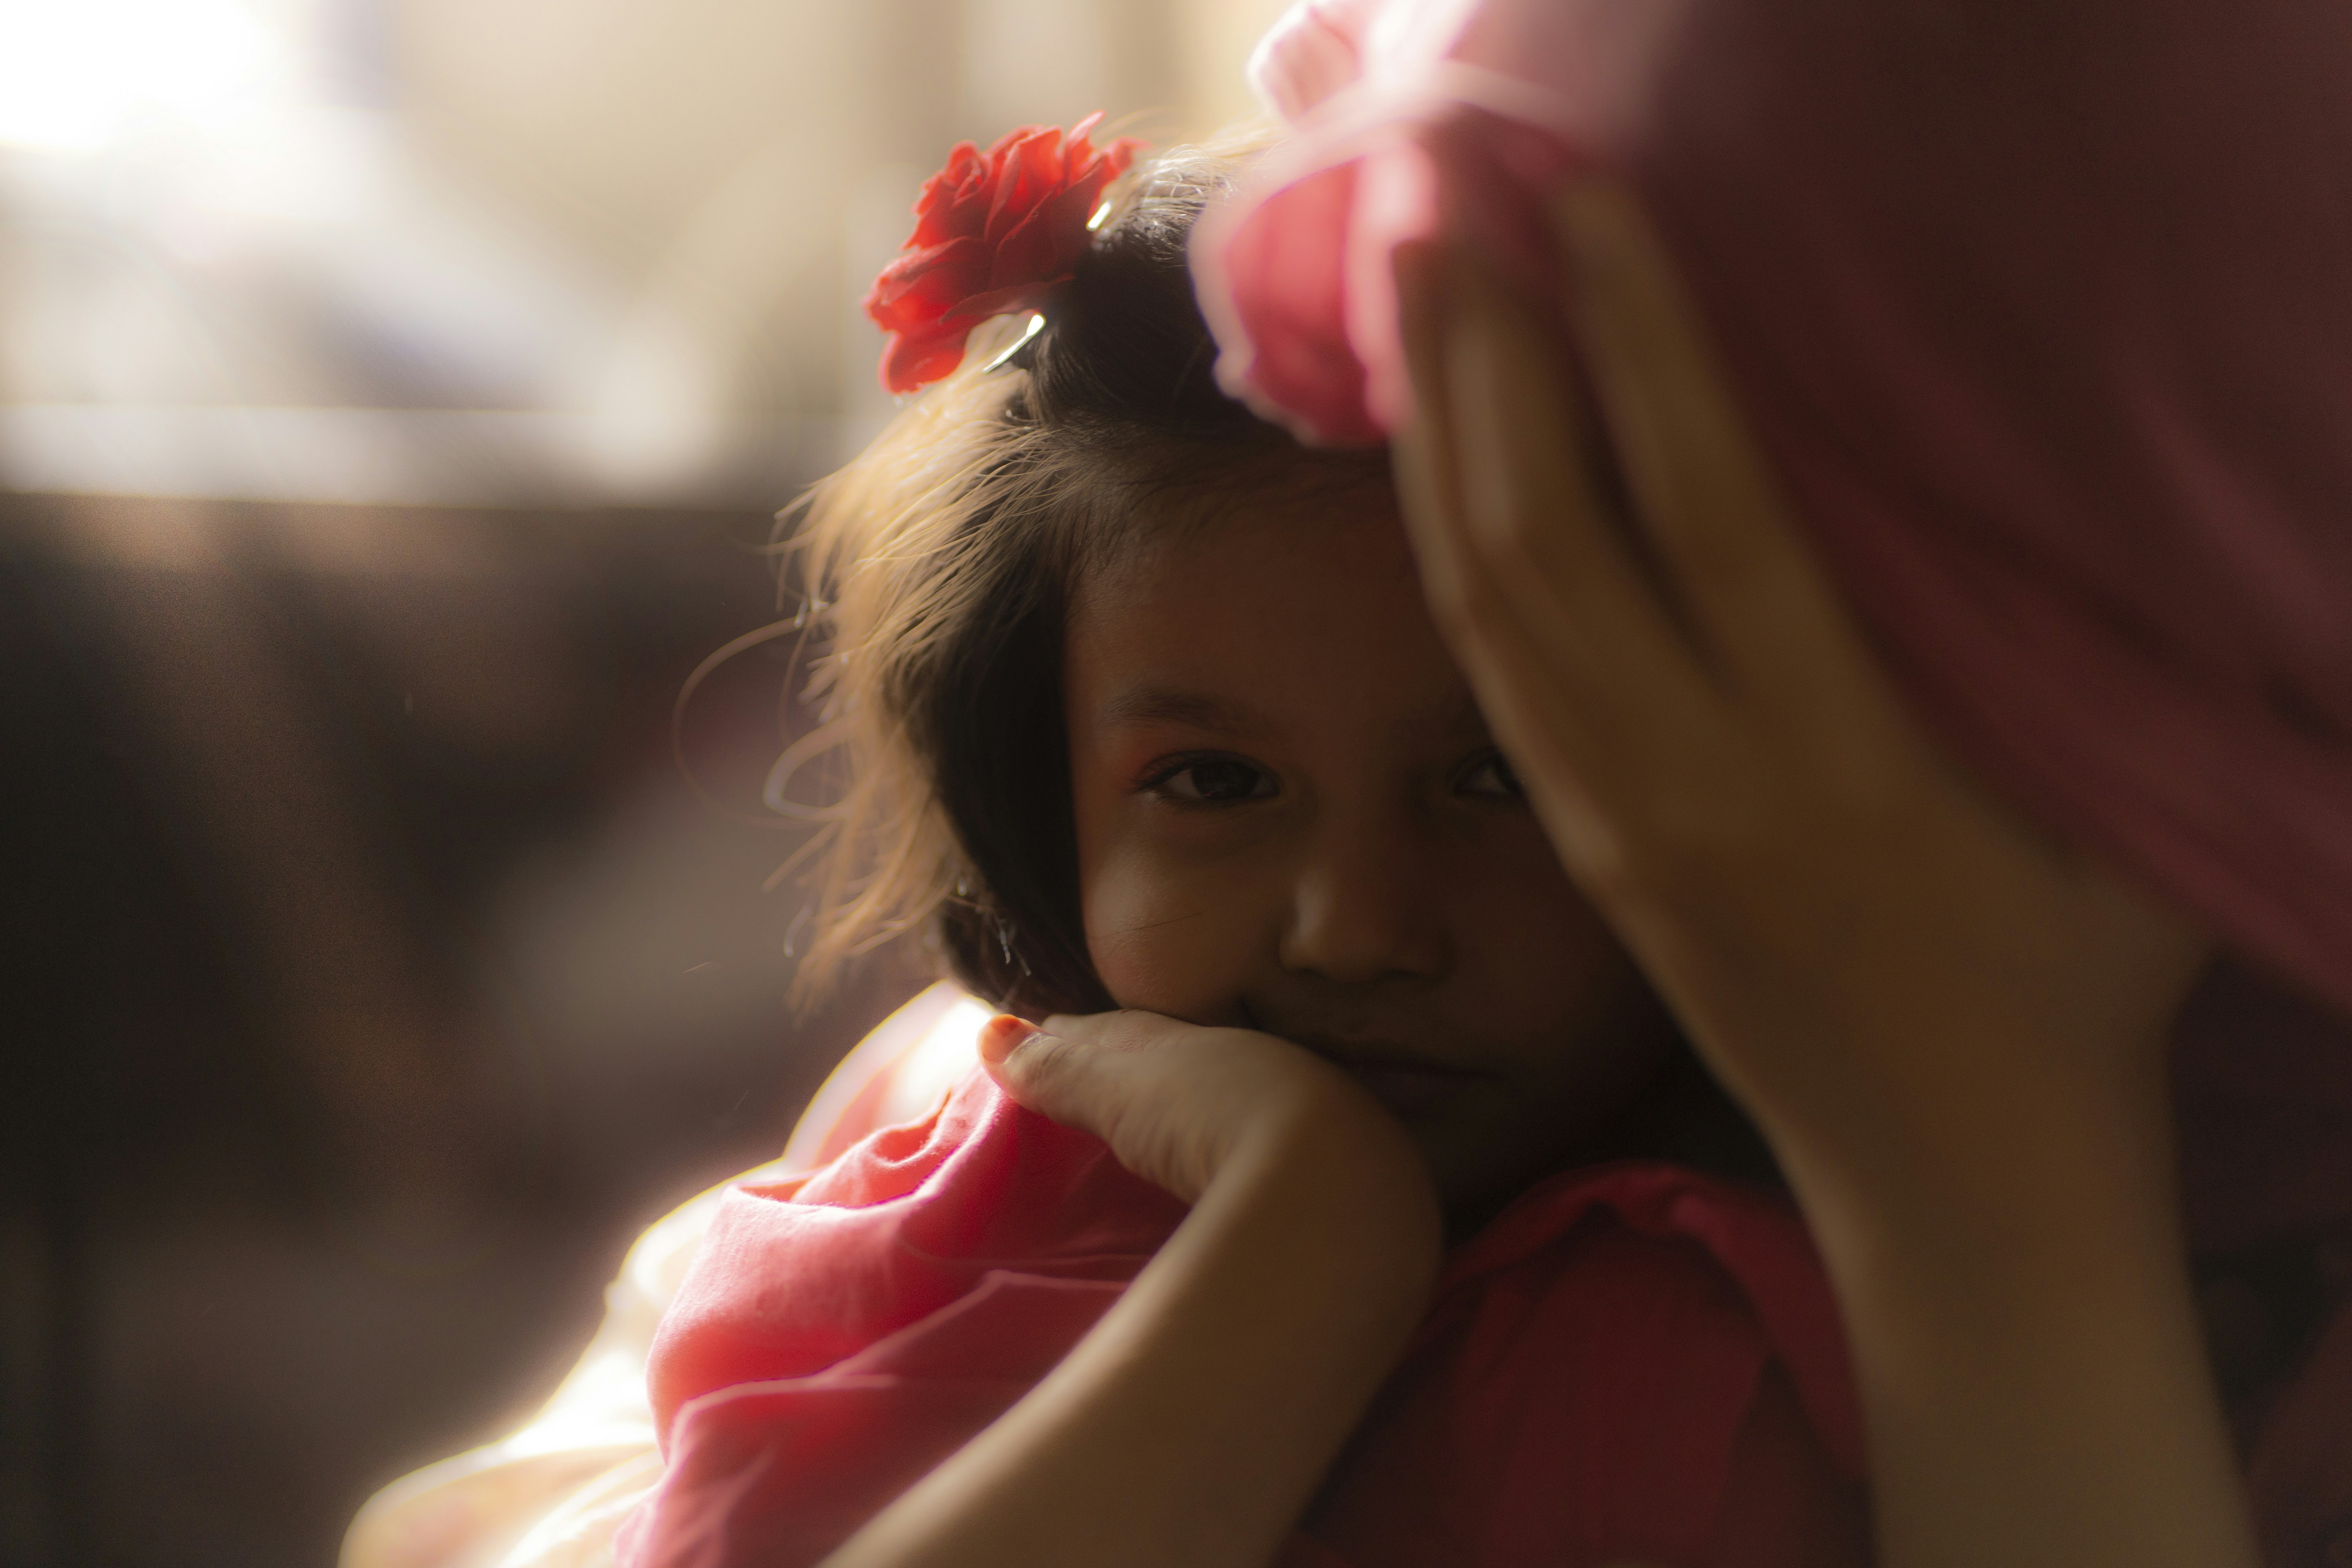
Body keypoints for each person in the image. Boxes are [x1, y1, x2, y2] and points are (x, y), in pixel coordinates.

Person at [598, 107, 2297, 1566]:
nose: (1355, 926)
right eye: (1211, 783)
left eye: (1501, 780)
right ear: (1039, 797)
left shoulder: (1738, 1335)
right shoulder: (946, 1182)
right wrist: (1299, 1240)